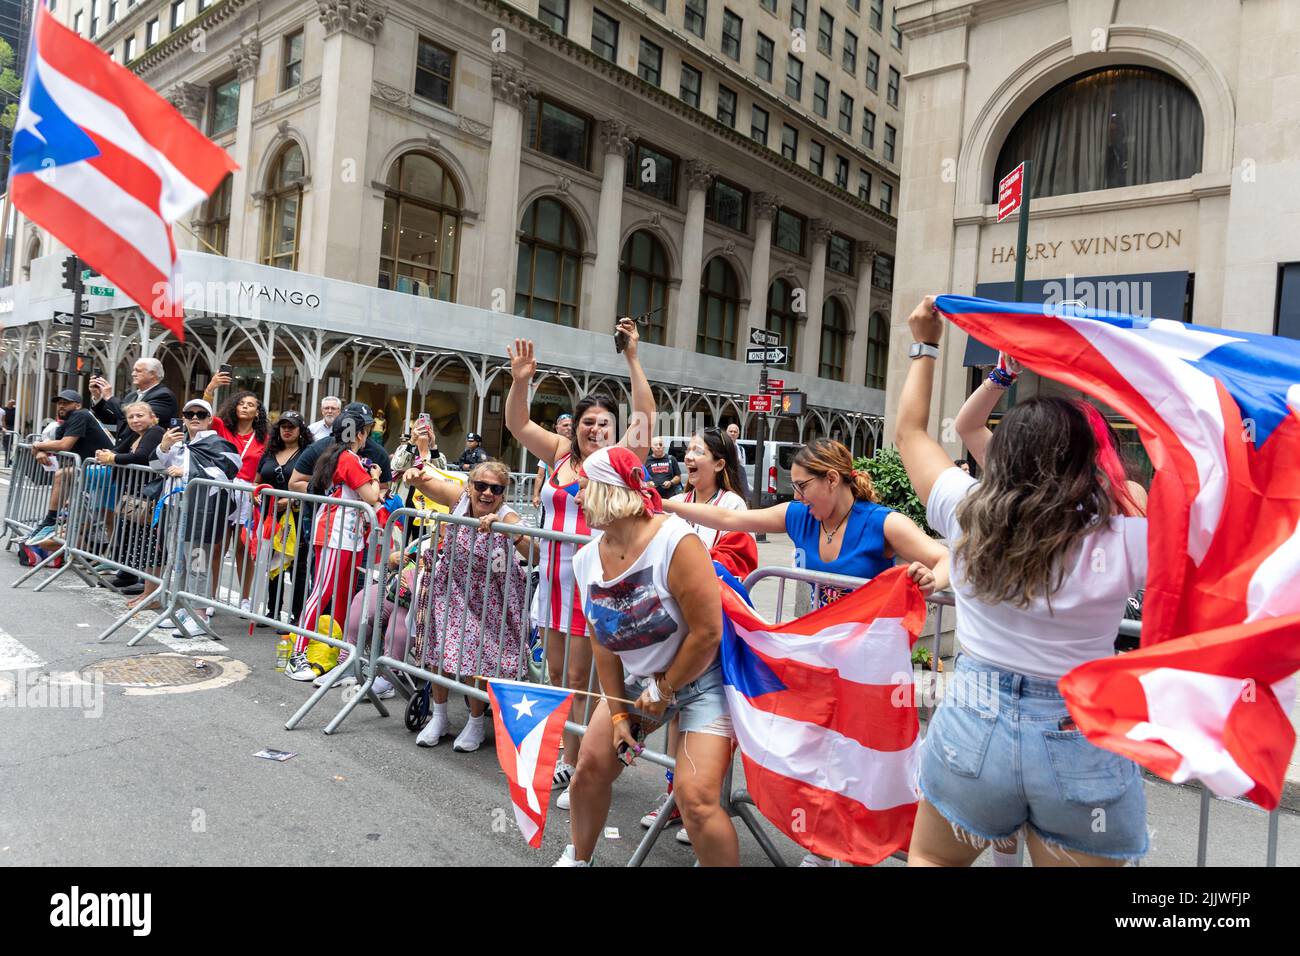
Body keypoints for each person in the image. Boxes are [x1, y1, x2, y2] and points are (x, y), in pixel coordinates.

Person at [894, 295, 1149, 868]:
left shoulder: (966, 508)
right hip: (1078, 733)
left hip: (972, 726)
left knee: (932, 860)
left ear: (1000, 455)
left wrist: (925, 344)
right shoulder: (1126, 537)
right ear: (1088, 461)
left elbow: (910, 432)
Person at [554, 446, 737, 867]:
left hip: (701, 682)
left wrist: (666, 688)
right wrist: (619, 717)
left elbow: (709, 631)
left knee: (697, 801)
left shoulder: (676, 540)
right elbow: (603, 641)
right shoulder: (586, 559)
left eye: (583, 488)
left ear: (611, 490)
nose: (577, 499)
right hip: (640, 684)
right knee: (589, 769)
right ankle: (580, 859)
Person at [504, 318, 655, 808]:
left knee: (586, 679)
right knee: (556, 675)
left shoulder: (618, 460)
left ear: (614, 429)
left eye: (604, 423)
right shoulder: (559, 453)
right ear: (576, 424)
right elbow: (517, 424)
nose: (594, 429)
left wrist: (632, 357)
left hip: (600, 586)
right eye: (587, 421)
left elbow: (647, 416)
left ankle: (584, 763)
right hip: (551, 582)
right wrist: (521, 381)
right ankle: (574, 758)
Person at [641, 426, 756, 843]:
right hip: (674, 629)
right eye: (687, 450)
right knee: (673, 709)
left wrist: (685, 564)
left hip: (715, 633)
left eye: (699, 452)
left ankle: (703, 805)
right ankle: (675, 799)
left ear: (720, 463)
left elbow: (737, 563)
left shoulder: (734, 505)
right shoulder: (678, 501)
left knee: (705, 721)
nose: (689, 457)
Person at [402, 441, 536, 751]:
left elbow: (535, 552)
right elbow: (431, 483)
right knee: (439, 653)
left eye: (496, 488)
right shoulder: (459, 500)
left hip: (493, 599)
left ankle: (476, 724)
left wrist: (507, 529)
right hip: (452, 591)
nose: (488, 493)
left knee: (480, 659)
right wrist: (415, 475)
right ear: (470, 486)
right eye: (481, 485)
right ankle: (439, 716)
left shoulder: (508, 516)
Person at [284, 408, 386, 682]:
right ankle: (297, 655)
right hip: (334, 533)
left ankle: (339, 656)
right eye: (366, 431)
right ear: (360, 433)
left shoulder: (340, 455)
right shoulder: (348, 459)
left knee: (341, 595)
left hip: (346, 534)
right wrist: (375, 476)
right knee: (323, 592)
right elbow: (372, 495)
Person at [152, 399, 242, 638]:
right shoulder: (178, 443)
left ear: (210, 419)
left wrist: (187, 472)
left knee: (197, 563)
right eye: (189, 413)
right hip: (174, 509)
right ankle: (182, 608)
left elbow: (228, 470)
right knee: (177, 561)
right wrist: (162, 447)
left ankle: (200, 615)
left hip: (201, 512)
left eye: (201, 414)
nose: (194, 417)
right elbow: (153, 466)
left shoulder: (218, 443)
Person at [201, 377, 269, 612]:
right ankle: (211, 597)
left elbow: (265, 468)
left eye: (251, 404)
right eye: (242, 403)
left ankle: (246, 598)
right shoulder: (222, 428)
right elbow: (204, 412)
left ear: (258, 412)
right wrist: (211, 388)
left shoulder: (264, 439)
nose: (246, 407)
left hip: (248, 494)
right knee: (219, 545)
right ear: (234, 407)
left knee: (243, 546)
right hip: (223, 489)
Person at [26, 390, 114, 545]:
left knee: (62, 475)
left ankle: (50, 521)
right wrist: (41, 450)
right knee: (105, 514)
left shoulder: (80, 415)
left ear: (77, 405)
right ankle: (99, 554)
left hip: (109, 469)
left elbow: (65, 445)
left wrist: (37, 445)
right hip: (96, 469)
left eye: (66, 403)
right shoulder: (67, 423)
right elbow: (60, 450)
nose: (61, 406)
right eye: (59, 403)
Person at [95, 402, 165, 594]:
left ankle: (145, 582)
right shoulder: (137, 434)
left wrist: (112, 459)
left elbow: (141, 457)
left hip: (148, 492)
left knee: (146, 538)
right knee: (129, 532)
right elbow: (119, 450)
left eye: (140, 416)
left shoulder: (155, 432)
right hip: (133, 491)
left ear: (152, 417)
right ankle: (127, 574)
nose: (135, 420)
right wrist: (106, 454)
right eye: (131, 416)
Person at [255, 411, 313, 630]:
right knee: (271, 564)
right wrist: (258, 496)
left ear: (300, 430)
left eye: (292, 426)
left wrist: (291, 500)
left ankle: (297, 615)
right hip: (271, 517)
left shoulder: (307, 454)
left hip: (298, 517)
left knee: (297, 567)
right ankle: (272, 610)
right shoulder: (270, 452)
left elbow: (313, 484)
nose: (287, 430)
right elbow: (257, 481)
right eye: (283, 426)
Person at [89, 358, 178, 438]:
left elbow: (134, 418)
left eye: (138, 371)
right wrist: (98, 397)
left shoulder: (164, 395)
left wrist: (109, 397)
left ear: (152, 374)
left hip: (147, 449)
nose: (133, 374)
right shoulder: (132, 395)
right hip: (124, 445)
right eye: (133, 371)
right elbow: (113, 419)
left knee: (83, 416)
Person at [531, 413, 573, 511]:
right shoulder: (550, 448)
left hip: (570, 499)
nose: (569, 428)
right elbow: (540, 475)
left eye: (571, 425)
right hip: (550, 498)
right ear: (557, 428)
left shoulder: (580, 449)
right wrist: (536, 495)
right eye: (565, 425)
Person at [726, 422, 750, 499]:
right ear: (726, 433)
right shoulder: (721, 447)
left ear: (738, 435)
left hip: (737, 482)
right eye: (731, 431)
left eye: (735, 432)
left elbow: (742, 468)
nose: (733, 433)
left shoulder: (741, 449)